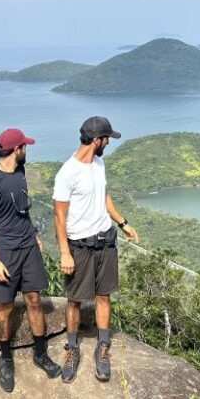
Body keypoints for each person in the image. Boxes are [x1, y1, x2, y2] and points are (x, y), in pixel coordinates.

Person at [52, 116, 138, 383]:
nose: (109, 143)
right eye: (107, 139)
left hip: (106, 242)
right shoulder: (67, 172)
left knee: (104, 296)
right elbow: (59, 216)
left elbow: (104, 196)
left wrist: (122, 222)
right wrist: (65, 253)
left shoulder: (99, 163)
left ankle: (102, 348)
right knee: (75, 300)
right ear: (97, 140)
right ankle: (71, 348)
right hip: (80, 246)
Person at [0, 127, 61, 392]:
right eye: (25, 146)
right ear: (17, 149)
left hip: (28, 247)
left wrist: (34, 233)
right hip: (5, 252)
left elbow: (21, 210)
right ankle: (5, 358)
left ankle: (40, 353)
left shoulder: (20, 172)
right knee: (5, 307)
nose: (27, 150)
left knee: (34, 299)